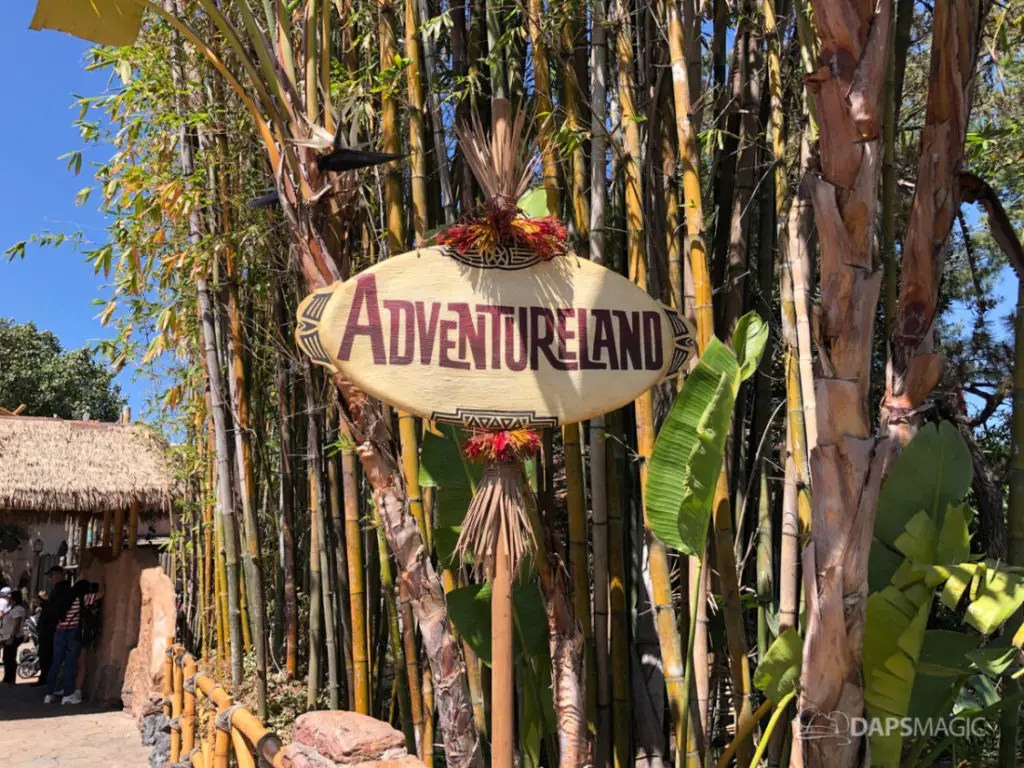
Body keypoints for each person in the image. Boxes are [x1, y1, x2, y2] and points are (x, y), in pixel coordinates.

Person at [44, 576, 89, 705]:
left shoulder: (59, 599)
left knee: (56, 663)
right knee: (70, 663)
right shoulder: (80, 598)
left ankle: (49, 693)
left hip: (59, 631)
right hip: (72, 632)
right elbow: (101, 594)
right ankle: (68, 694)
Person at [35, 566, 72, 689]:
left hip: (53, 628)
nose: (51, 578)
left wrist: (46, 604)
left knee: (49, 655)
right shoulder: (57, 589)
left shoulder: (64, 589)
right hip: (48, 628)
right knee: (44, 654)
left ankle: (50, 682)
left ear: (61, 574)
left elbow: (57, 609)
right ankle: (45, 678)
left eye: (53, 574)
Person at [1, 591, 27, 684]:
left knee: (10, 658)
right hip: (7, 636)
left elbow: (17, 624)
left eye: (10, 597)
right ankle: (8, 677)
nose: (8, 598)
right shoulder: (12, 608)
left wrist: (12, 637)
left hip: (13, 637)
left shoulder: (18, 609)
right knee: (7, 657)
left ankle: (10, 678)